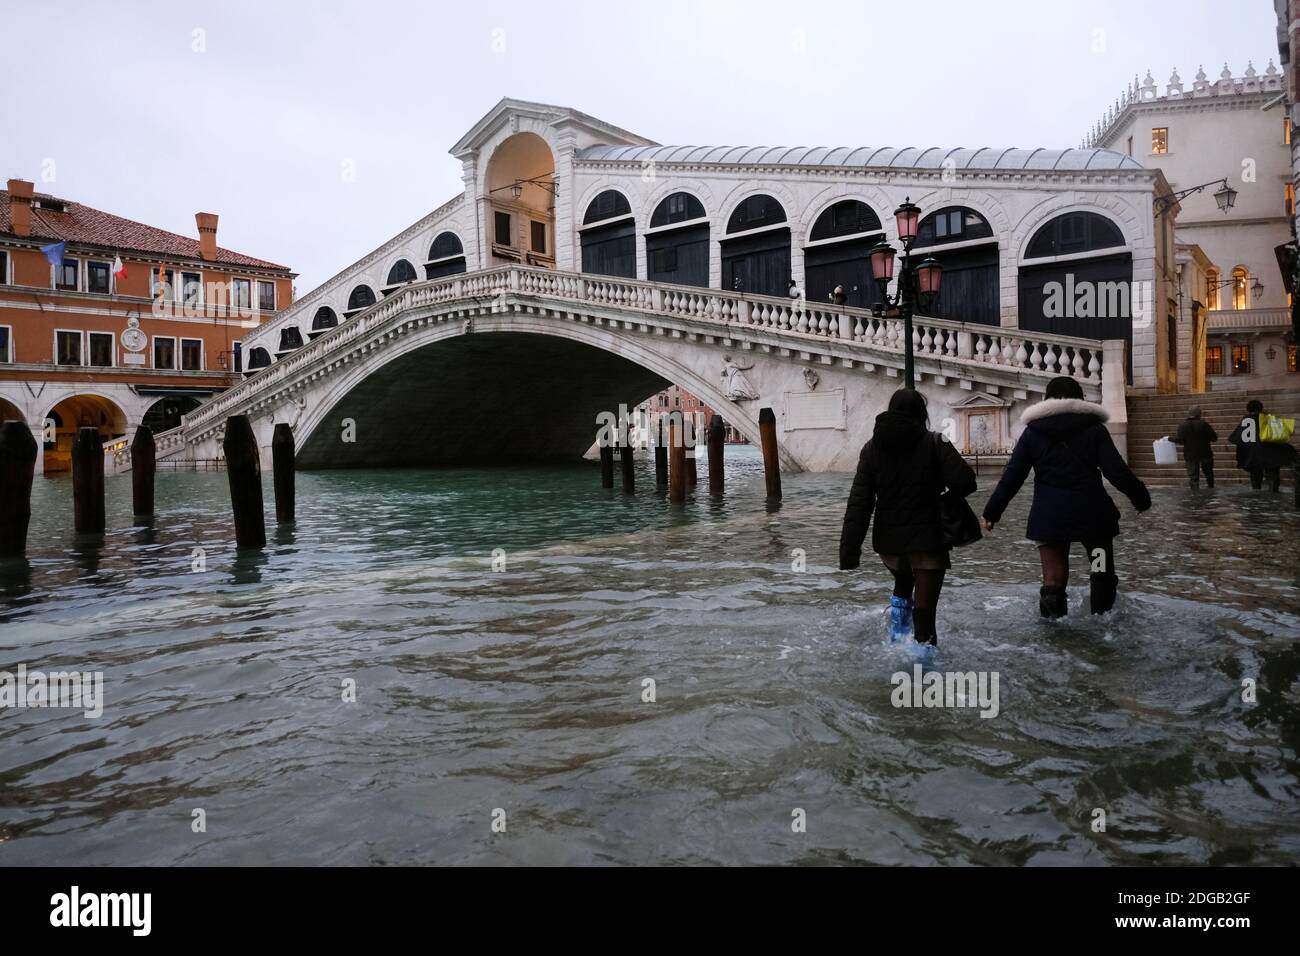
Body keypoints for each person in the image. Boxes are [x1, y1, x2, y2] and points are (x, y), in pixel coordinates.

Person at [982, 376, 1150, 618]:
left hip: (1050, 518)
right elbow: (1117, 472)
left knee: (1052, 580)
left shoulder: (1032, 433)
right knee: (1100, 570)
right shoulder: (1094, 430)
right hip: (1093, 518)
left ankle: (1054, 635)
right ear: (1079, 398)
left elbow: (1012, 477)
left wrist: (991, 512)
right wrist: (1140, 498)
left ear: (1047, 399)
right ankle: (1103, 626)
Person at [839, 388, 976, 650]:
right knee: (926, 610)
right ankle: (922, 666)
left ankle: (896, 641)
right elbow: (966, 482)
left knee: (902, 584)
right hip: (928, 540)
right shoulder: (935, 442)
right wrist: (943, 496)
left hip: (889, 543)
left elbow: (859, 503)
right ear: (921, 414)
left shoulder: (871, 449)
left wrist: (849, 551)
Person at [1228, 399, 1296, 492]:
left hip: (1252, 454)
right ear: (1260, 408)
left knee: (1255, 476)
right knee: (1272, 475)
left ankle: (1256, 494)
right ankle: (1274, 493)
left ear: (1248, 409)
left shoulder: (1245, 420)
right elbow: (1278, 435)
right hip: (1270, 452)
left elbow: (1236, 438)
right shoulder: (1268, 418)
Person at [1169, 405, 1217, 489]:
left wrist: (1170, 438)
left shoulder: (1182, 425)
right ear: (1199, 414)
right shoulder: (1204, 424)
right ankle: (1210, 487)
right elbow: (1214, 438)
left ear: (1189, 414)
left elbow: (1180, 440)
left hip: (1190, 455)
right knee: (1208, 473)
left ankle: (1195, 492)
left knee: (1193, 476)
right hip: (1205, 453)